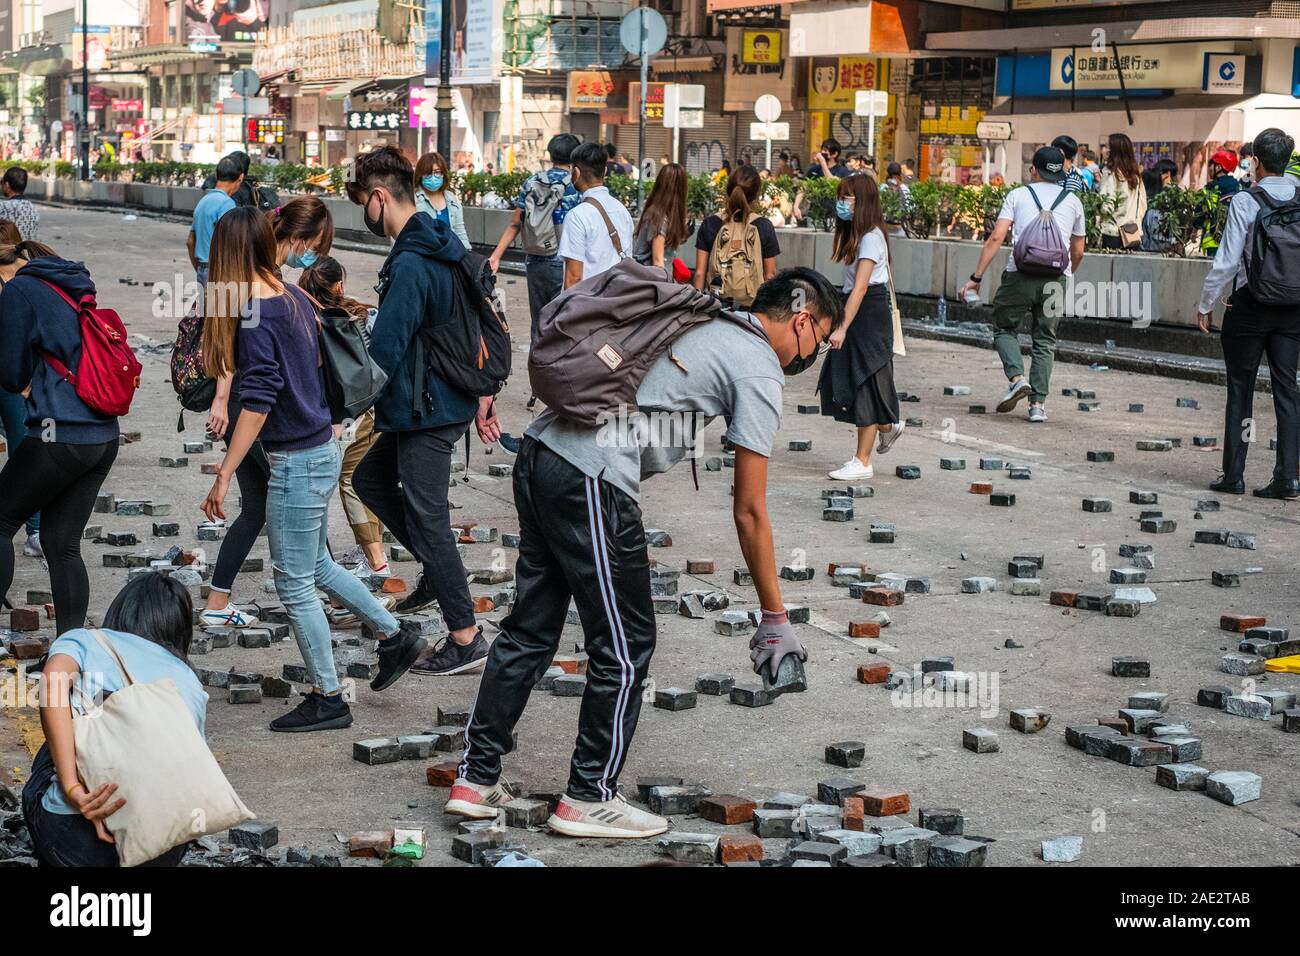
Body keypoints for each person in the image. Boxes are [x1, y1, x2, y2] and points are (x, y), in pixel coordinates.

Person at [446, 268, 844, 835]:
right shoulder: (757, 364)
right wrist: (774, 614)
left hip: (540, 454)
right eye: (820, 339)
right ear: (802, 319)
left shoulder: (705, 318)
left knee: (530, 630)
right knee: (627, 645)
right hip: (590, 477)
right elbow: (750, 508)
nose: (812, 356)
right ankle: (588, 795)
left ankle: (476, 778)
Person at [200, 206, 416, 732]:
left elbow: (258, 399)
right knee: (315, 566)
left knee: (293, 583)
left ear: (226, 254)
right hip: (317, 447)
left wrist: (226, 471)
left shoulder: (256, 308)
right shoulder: (291, 294)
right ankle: (394, 635)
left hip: (298, 459)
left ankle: (328, 696)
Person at [344, 146, 491, 676]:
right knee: (370, 479)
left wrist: (345, 400)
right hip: (429, 400)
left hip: (428, 404)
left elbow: (387, 346)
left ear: (380, 197)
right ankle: (436, 569)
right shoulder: (436, 240)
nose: (365, 215)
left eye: (364, 203)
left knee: (430, 517)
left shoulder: (410, 259)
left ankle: (465, 636)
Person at [200, 196, 338, 630]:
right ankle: (326, 586)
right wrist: (222, 400)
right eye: (314, 243)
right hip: (258, 409)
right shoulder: (256, 287)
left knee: (260, 504)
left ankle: (218, 601)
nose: (314, 254)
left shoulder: (251, 280)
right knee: (296, 499)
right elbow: (225, 347)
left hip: (253, 403)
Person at [23, 573, 207, 867]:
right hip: (162, 846)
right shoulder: (190, 680)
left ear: (121, 609)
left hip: (76, 842)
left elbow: (53, 683)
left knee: (64, 732)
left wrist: (72, 786)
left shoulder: (85, 640)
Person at [0, 237, 118, 634]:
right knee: (61, 543)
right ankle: (70, 649)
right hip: (102, 435)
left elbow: (10, 374)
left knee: (1, 521)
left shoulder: (18, 291)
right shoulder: (70, 283)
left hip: (60, 434)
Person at [1197, 128, 1300, 499]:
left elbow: (1225, 263)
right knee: (1287, 390)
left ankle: (1234, 475)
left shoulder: (1245, 201)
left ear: (1255, 161)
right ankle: (1289, 476)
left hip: (1250, 305)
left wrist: (1206, 304)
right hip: (1292, 308)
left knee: (1241, 389)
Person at [959, 146, 1085, 424]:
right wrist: (1066, 274)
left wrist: (976, 277)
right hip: (1056, 279)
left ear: (1033, 170)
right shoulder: (1074, 201)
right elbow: (1078, 251)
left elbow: (996, 237)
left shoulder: (1018, 195)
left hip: (1020, 275)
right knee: (1045, 340)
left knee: (1004, 328)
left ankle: (1017, 378)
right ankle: (1038, 405)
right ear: (1063, 172)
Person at [298, 255, 388, 584]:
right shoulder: (365, 314)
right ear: (338, 284)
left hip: (341, 415)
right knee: (368, 479)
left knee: (350, 481)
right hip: (374, 405)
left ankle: (377, 561)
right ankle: (372, 555)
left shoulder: (308, 319)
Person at [820, 173, 904, 481]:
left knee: (866, 381)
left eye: (847, 198)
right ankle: (887, 425)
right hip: (860, 311)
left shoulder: (870, 237)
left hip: (868, 314)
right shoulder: (859, 235)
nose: (842, 204)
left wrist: (841, 326)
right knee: (859, 378)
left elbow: (861, 288)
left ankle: (863, 460)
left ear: (862, 201)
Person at [488, 133, 582, 343]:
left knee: (539, 322)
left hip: (535, 259)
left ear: (551, 155)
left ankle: (536, 367)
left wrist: (496, 256)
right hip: (565, 262)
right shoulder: (575, 185)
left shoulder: (532, 182)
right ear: (575, 157)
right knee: (564, 323)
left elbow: (516, 223)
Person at [0, 221, 41, 560]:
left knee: (24, 450)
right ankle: (36, 531)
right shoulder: (32, 274)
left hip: (14, 378)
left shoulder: (26, 276)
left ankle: (33, 529)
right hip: (18, 378)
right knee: (25, 451)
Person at [692, 163, 779, 305]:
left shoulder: (710, 223)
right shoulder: (764, 226)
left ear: (728, 190)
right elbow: (769, 275)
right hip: (751, 309)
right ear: (757, 194)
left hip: (717, 305)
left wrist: (696, 308)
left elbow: (700, 273)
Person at [558, 141, 634, 290]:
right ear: (605, 171)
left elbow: (573, 278)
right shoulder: (622, 210)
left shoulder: (577, 216)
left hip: (589, 304)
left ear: (576, 172)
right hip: (619, 300)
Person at [187, 154, 242, 287]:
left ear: (217, 176)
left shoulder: (203, 202)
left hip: (202, 269)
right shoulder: (227, 204)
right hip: (220, 270)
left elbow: (190, 242)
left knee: (206, 307)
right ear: (241, 178)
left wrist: (201, 268)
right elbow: (230, 243)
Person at [631, 162, 689, 268]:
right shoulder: (658, 216)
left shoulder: (661, 213)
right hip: (652, 280)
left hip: (653, 279)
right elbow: (658, 262)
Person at [1099, 133, 1147, 250]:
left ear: (1115, 151)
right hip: (1132, 232)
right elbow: (1143, 204)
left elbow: (1106, 207)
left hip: (1112, 232)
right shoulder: (1135, 175)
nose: (1104, 150)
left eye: (1107, 146)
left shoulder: (1110, 173)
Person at [414, 151, 470, 248]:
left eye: (437, 172)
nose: (433, 178)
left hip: (450, 257)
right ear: (420, 175)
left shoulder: (452, 199)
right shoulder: (414, 200)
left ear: (443, 174)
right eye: (428, 173)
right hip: (424, 257)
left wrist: (467, 254)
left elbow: (460, 232)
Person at [1198, 149, 1242, 258]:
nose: (1209, 169)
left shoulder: (1209, 189)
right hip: (1234, 241)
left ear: (1218, 167)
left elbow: (1199, 216)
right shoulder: (1239, 187)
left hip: (1213, 242)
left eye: (1211, 165)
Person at [1140, 159, 1178, 254]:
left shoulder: (1173, 195)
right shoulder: (1155, 190)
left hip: (1157, 244)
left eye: (1159, 172)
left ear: (1167, 174)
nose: (1156, 174)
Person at [0, 166, 39, 240]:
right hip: (28, 250)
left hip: (8, 251)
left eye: (2, 182)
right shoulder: (32, 208)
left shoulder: (3, 207)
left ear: (7, 185)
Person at [882, 161, 910, 236]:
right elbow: (910, 206)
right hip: (900, 226)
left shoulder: (883, 187)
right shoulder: (904, 188)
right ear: (900, 174)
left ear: (888, 173)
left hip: (886, 227)